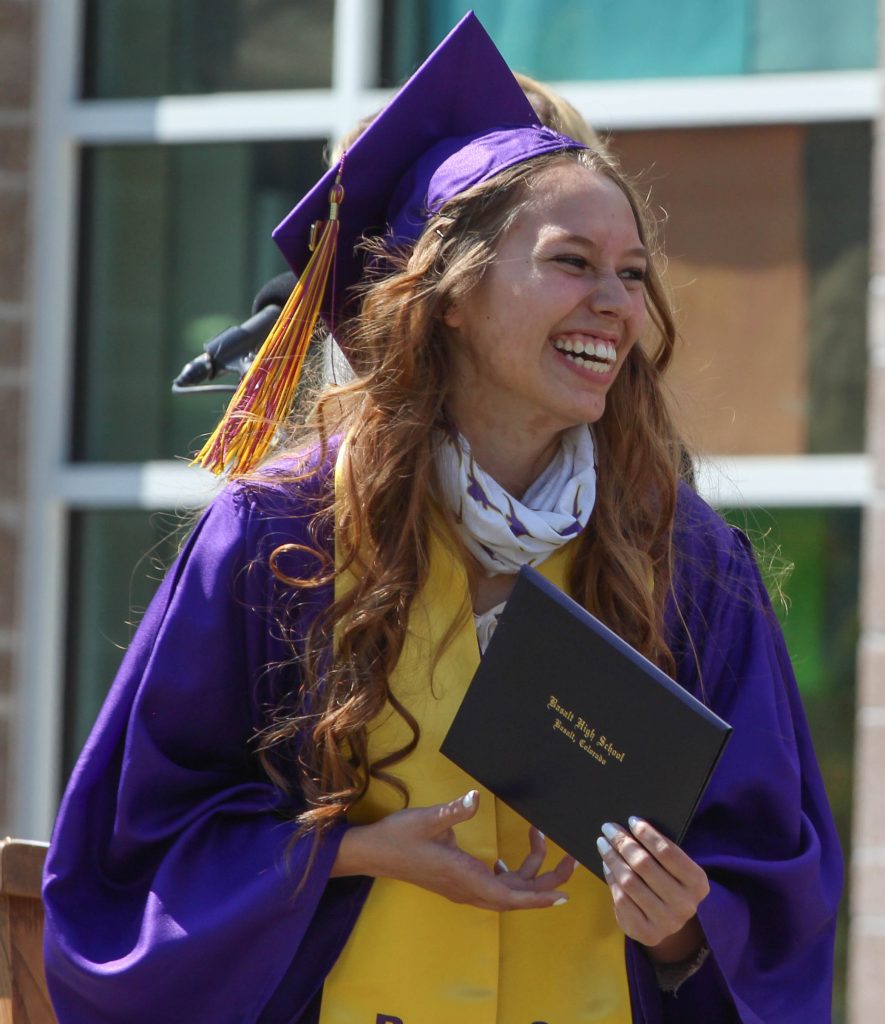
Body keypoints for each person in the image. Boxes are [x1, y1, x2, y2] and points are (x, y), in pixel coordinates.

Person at [42, 13, 841, 1024]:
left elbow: (773, 891)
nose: (615, 303)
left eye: (632, 273)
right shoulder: (283, 534)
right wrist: (352, 849)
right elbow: (132, 855)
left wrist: (686, 924)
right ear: (449, 294)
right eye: (570, 262)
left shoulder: (683, 555)